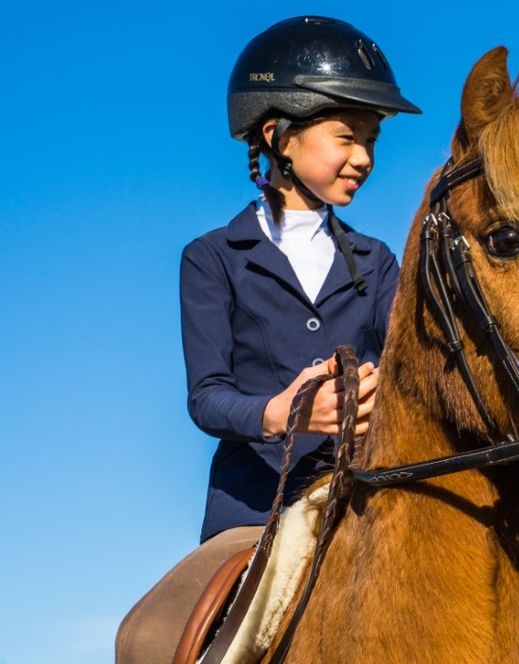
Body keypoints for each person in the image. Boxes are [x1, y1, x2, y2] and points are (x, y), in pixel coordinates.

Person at [115, 16, 420, 663]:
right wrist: (277, 414)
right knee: (149, 639)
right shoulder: (211, 257)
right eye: (347, 137)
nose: (364, 157)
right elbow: (207, 397)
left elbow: (408, 374)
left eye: (371, 140)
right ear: (276, 134)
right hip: (252, 516)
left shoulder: (381, 260)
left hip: (371, 504)